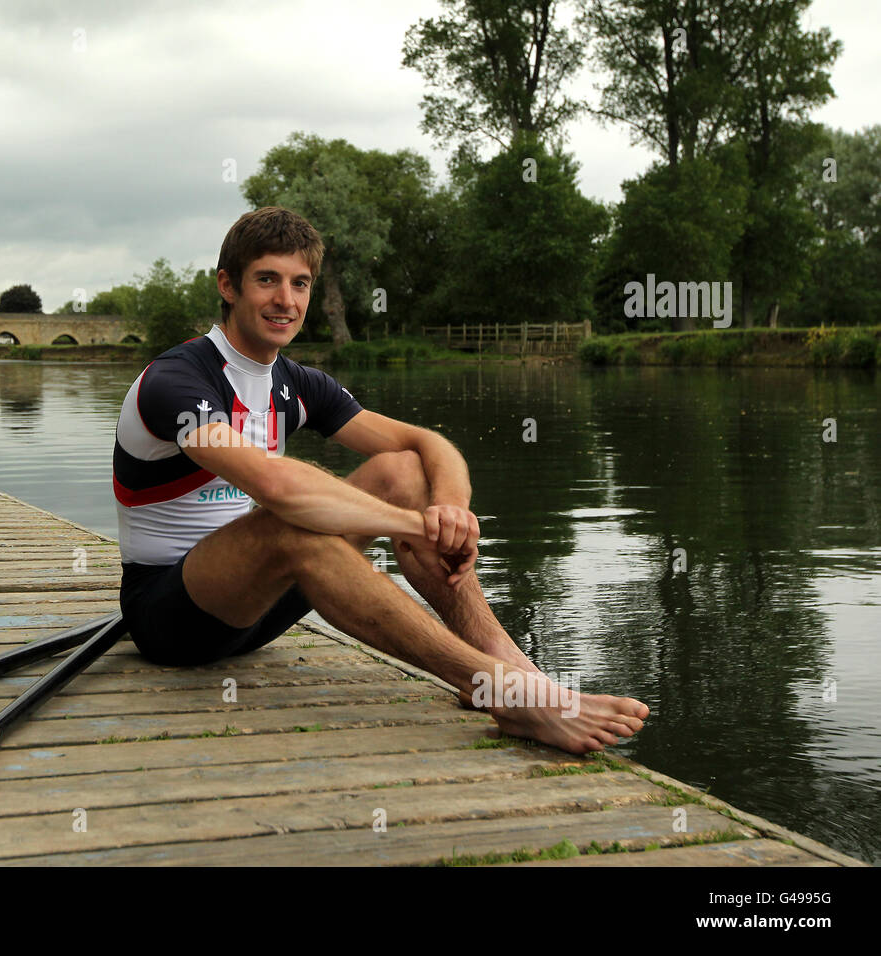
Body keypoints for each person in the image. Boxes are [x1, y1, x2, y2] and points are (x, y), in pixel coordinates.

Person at [112, 206, 648, 754]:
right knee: (289, 525)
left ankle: (504, 658)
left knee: (403, 471)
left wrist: (451, 512)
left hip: (255, 610)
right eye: (267, 279)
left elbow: (428, 444)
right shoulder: (175, 380)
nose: (286, 300)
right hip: (170, 618)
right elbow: (276, 487)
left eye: (300, 284)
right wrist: (413, 527)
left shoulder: (297, 383)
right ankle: (504, 692)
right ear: (228, 285)